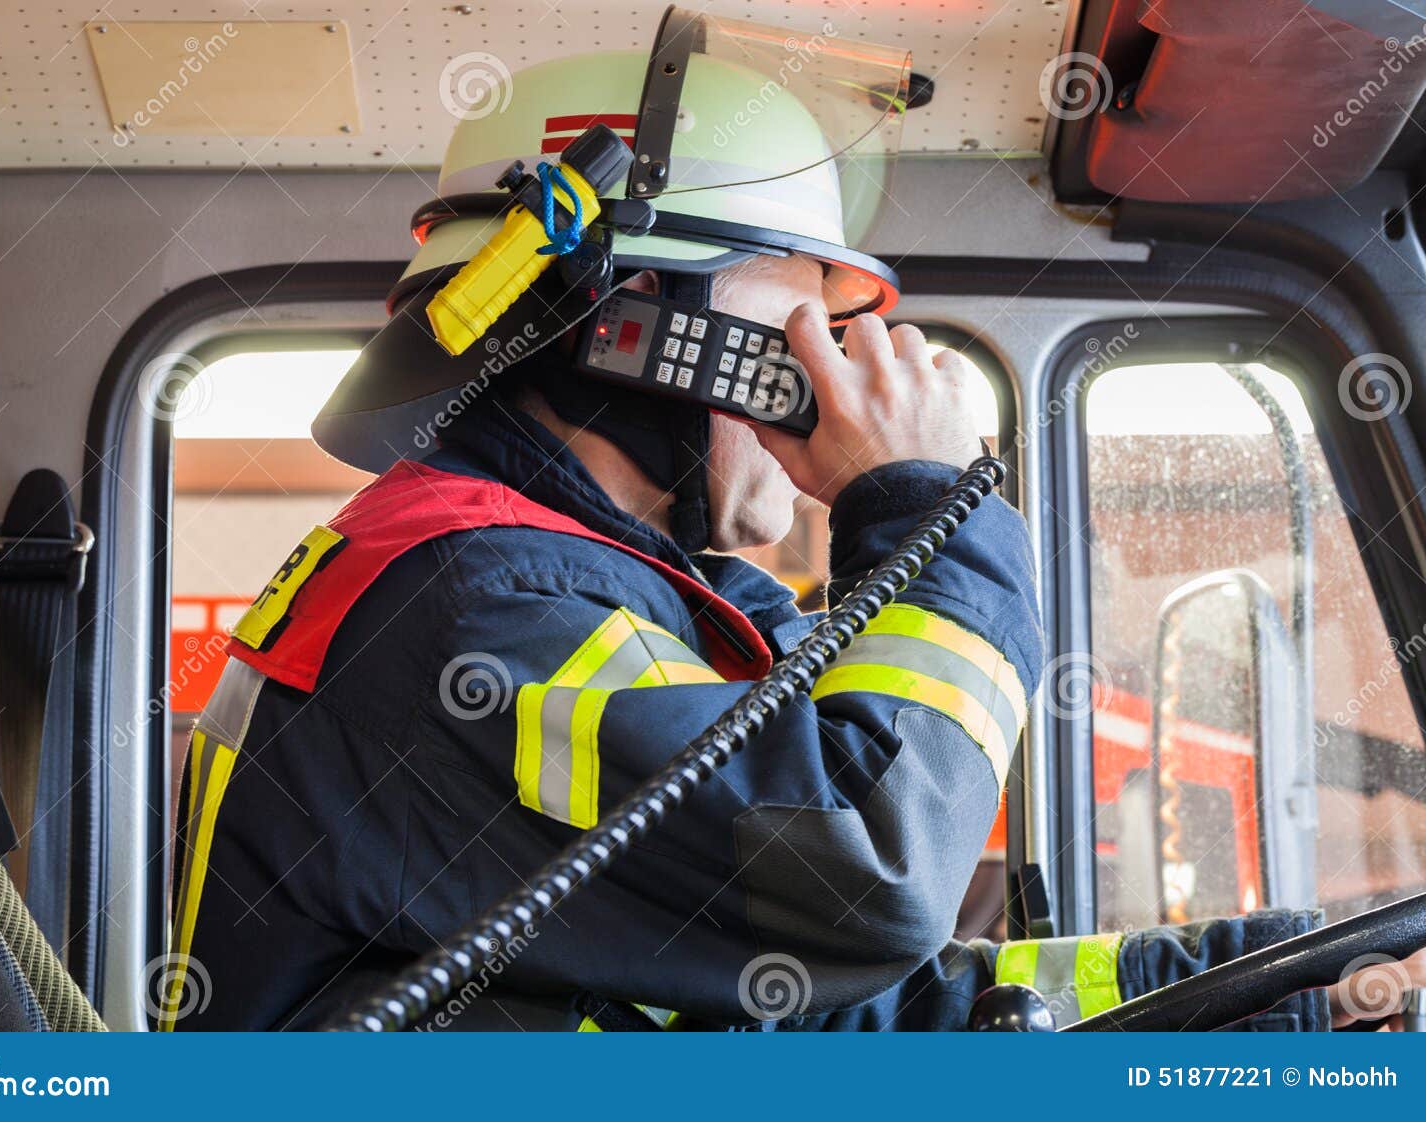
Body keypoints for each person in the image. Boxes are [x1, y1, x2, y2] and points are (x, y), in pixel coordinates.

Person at [159, 12, 1424, 1032]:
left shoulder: (630, 597)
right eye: (808, 318)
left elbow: (851, 1005)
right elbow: (869, 879)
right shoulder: (479, 607)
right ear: (643, 329)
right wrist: (926, 504)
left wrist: (1295, 986)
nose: (855, 362)